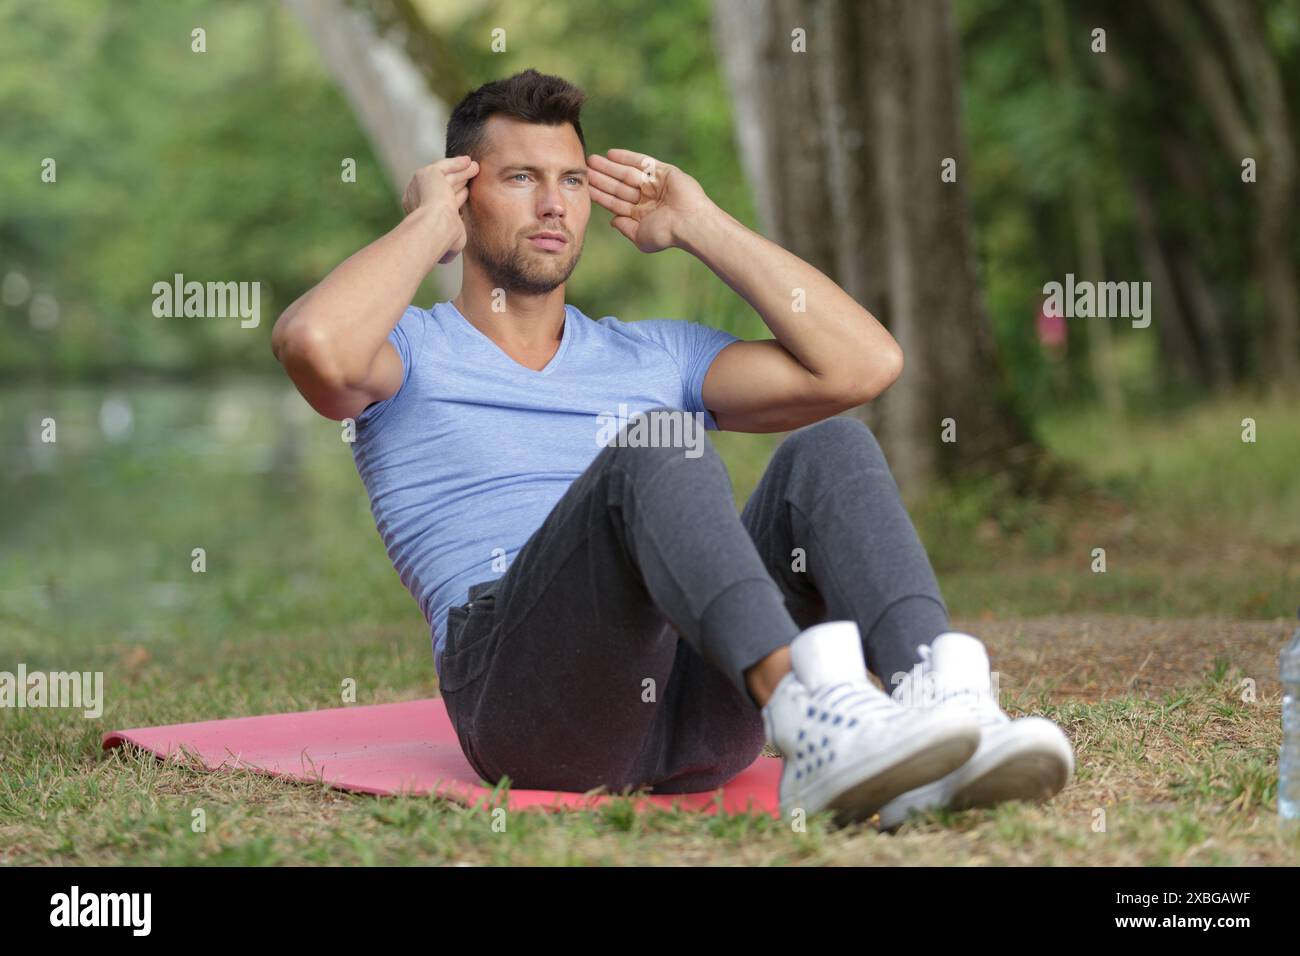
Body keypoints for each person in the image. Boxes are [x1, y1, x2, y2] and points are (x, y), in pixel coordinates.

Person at [271, 68, 1073, 828]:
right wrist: (422, 226)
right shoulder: (407, 350)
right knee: (656, 444)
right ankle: (809, 710)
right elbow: (314, 345)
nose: (554, 204)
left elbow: (864, 366)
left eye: (573, 180)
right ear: (460, 191)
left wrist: (700, 225)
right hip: (527, 708)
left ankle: (942, 701)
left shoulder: (653, 354)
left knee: (830, 448)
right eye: (520, 178)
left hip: (699, 715)